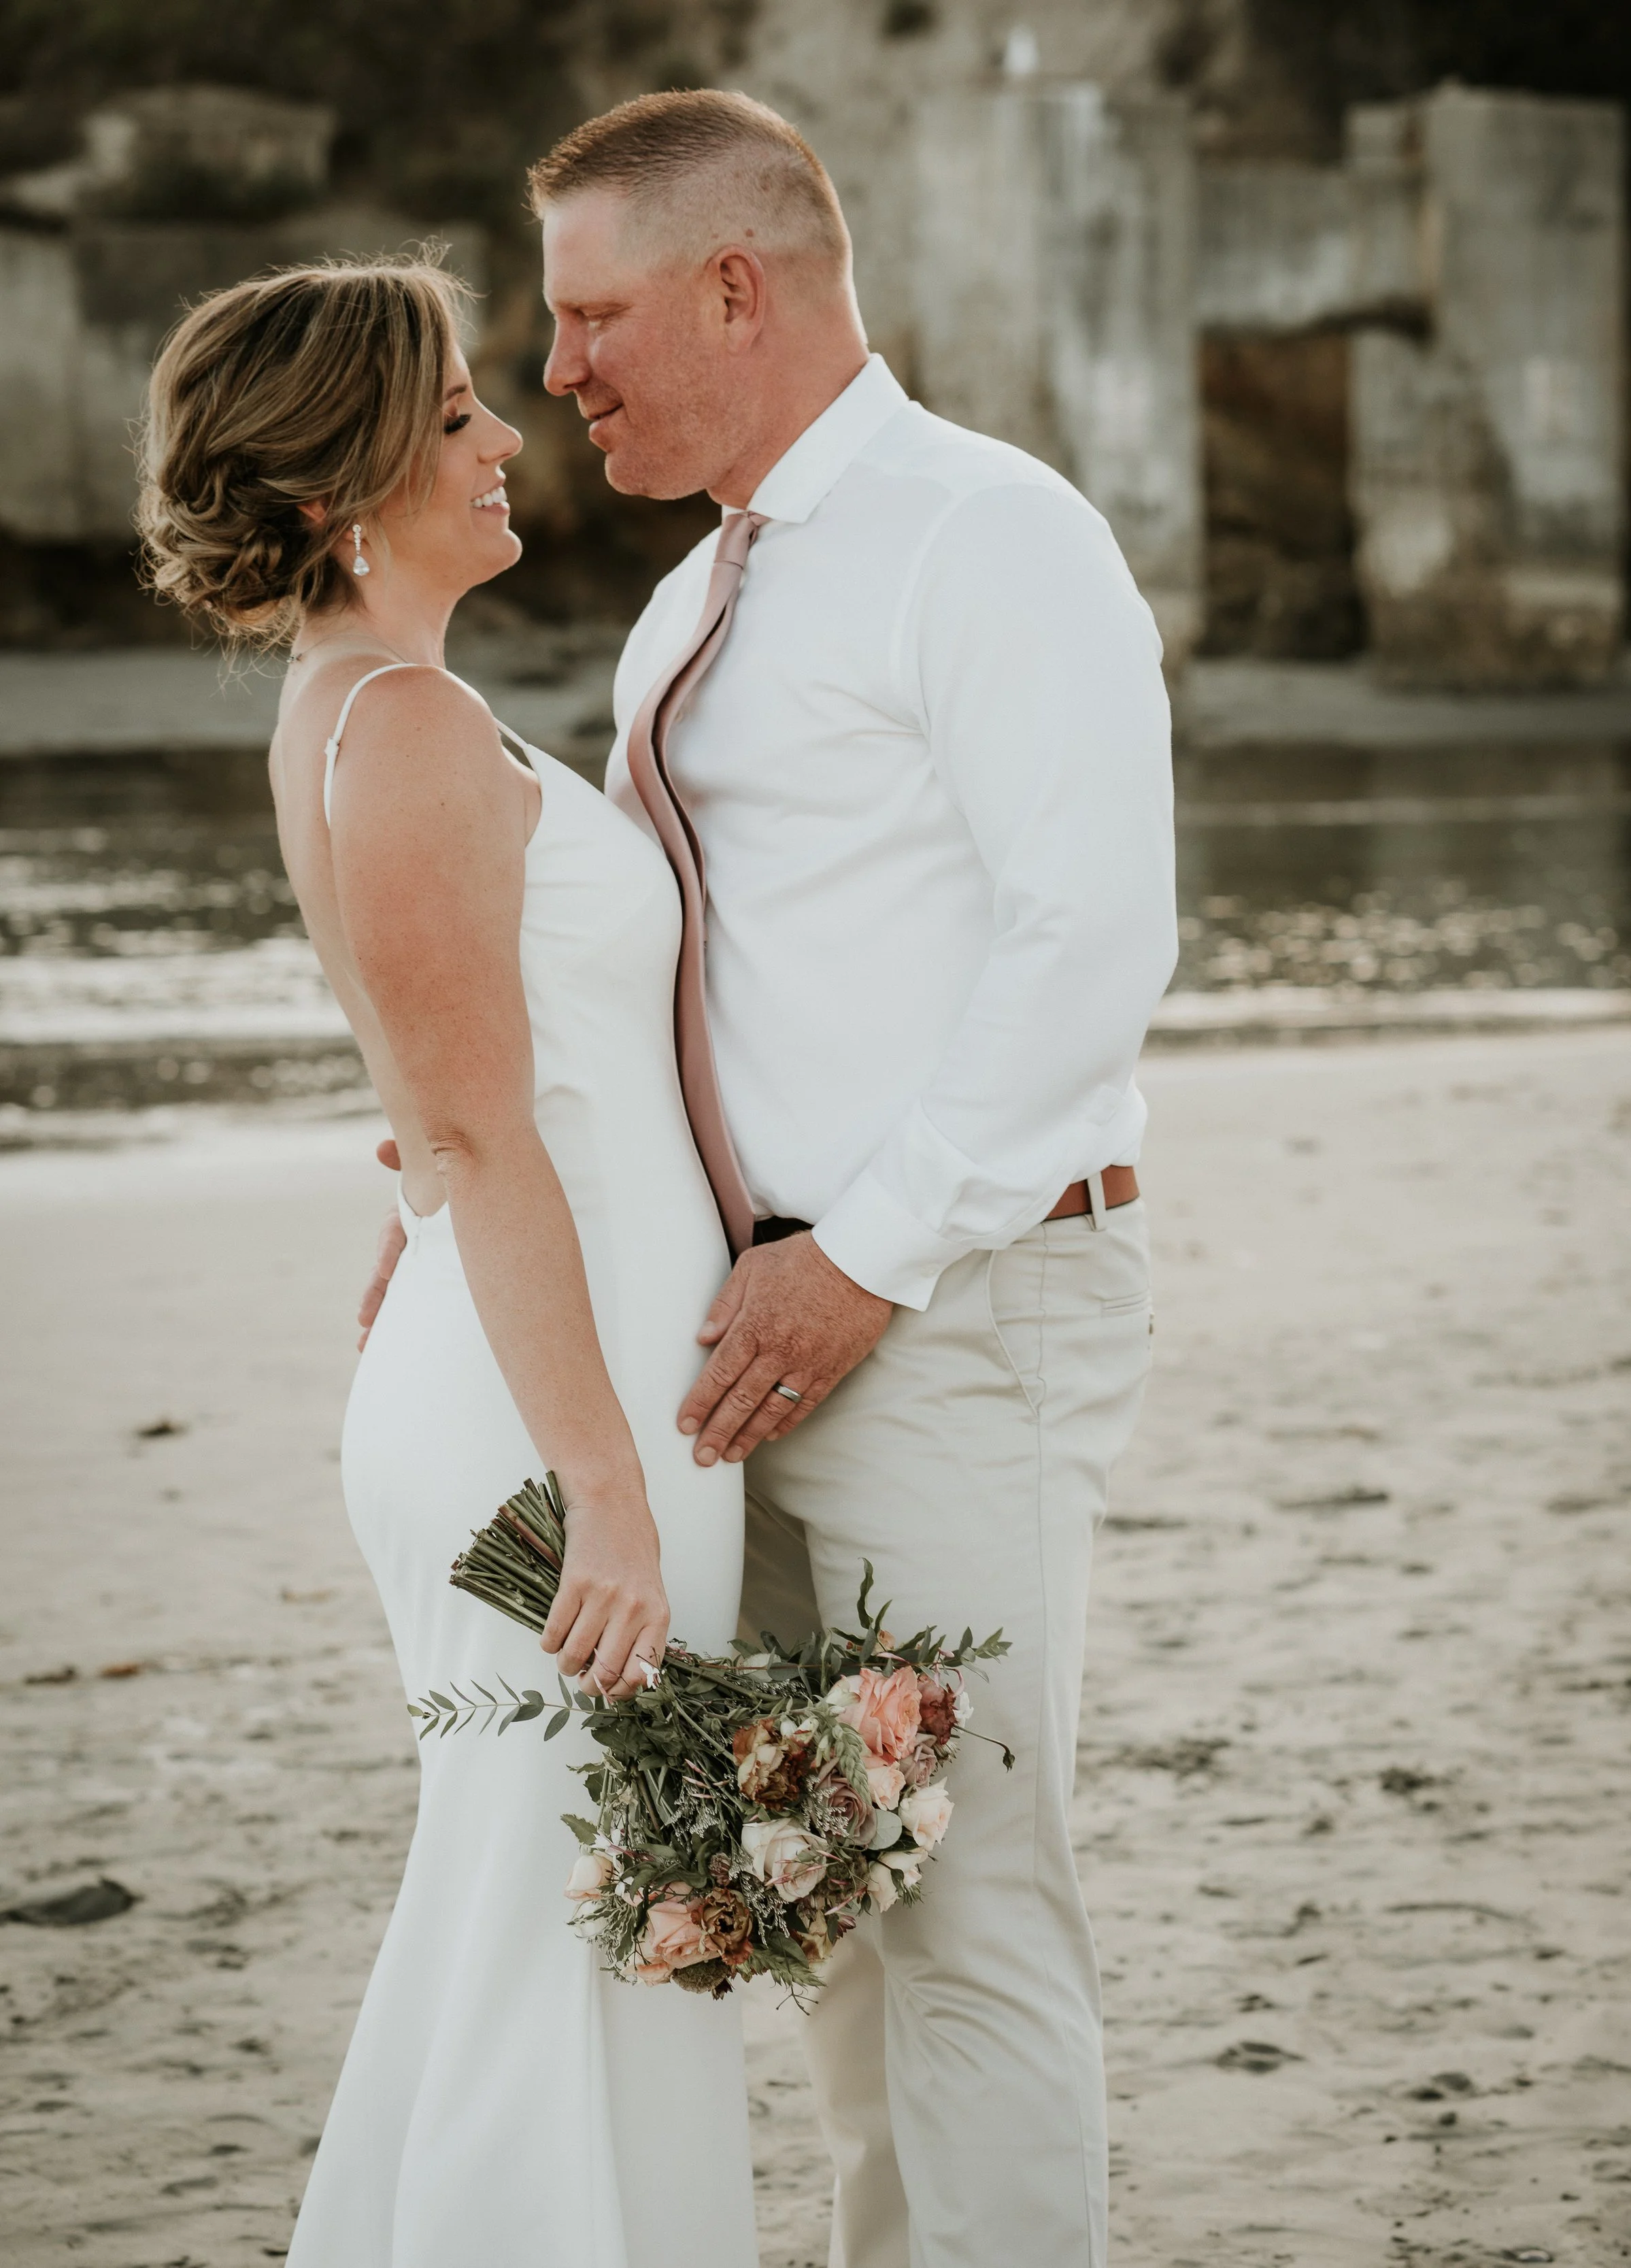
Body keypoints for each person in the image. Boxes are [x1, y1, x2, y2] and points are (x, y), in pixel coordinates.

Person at [363, 88, 1178, 2268]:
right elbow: (668, 981)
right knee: (827, 1875)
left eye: (594, 315)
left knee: (974, 1896)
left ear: (735, 287)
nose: (558, 370)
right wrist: (441, 1162)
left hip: (950, 1306)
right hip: (740, 1341)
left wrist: (866, 1261)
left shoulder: (983, 534)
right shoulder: (688, 606)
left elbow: (1091, 940)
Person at [138, 259, 760, 2267]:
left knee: (555, 1904)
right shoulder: (401, 724)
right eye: (458, 415)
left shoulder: (371, 705)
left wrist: (413, 1199)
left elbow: (442, 1093)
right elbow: (482, 1131)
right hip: (546, 1408)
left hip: (520, 1352)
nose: (506, 436)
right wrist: (602, 1487)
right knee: (558, 1912)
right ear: (339, 486)